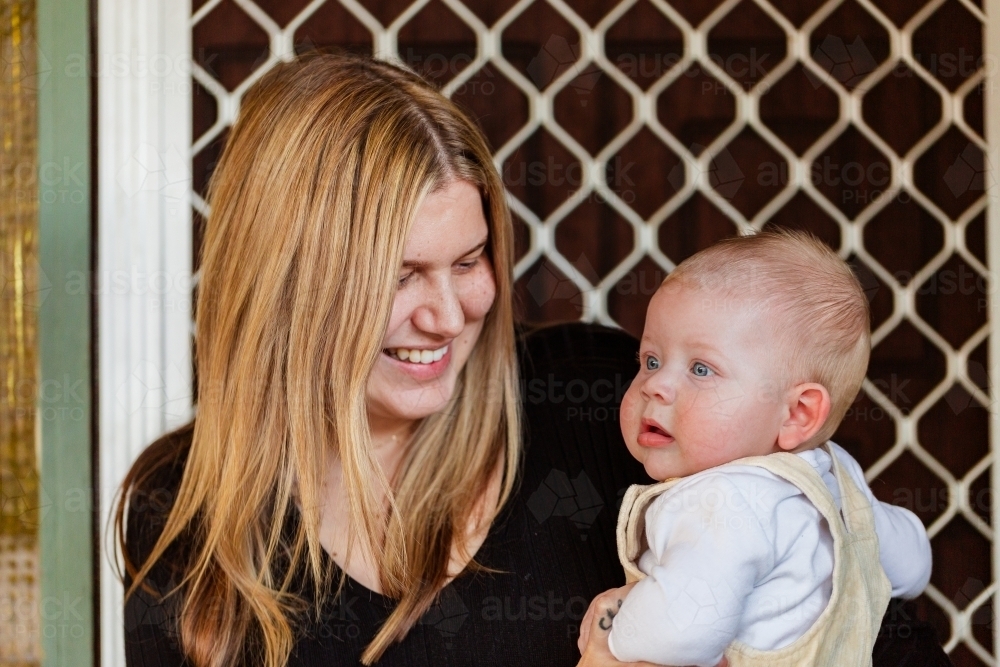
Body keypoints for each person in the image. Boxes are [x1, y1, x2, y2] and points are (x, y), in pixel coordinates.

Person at [115, 54, 951, 667]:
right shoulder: (186, 514)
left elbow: (861, 608)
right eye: (400, 275)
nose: (448, 315)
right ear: (287, 282)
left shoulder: (604, 402)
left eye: (470, 261)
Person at [580, 231, 931, 667]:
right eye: (651, 360)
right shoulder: (835, 477)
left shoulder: (720, 500)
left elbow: (679, 633)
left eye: (701, 369)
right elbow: (913, 563)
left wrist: (611, 636)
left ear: (797, 414)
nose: (655, 385)